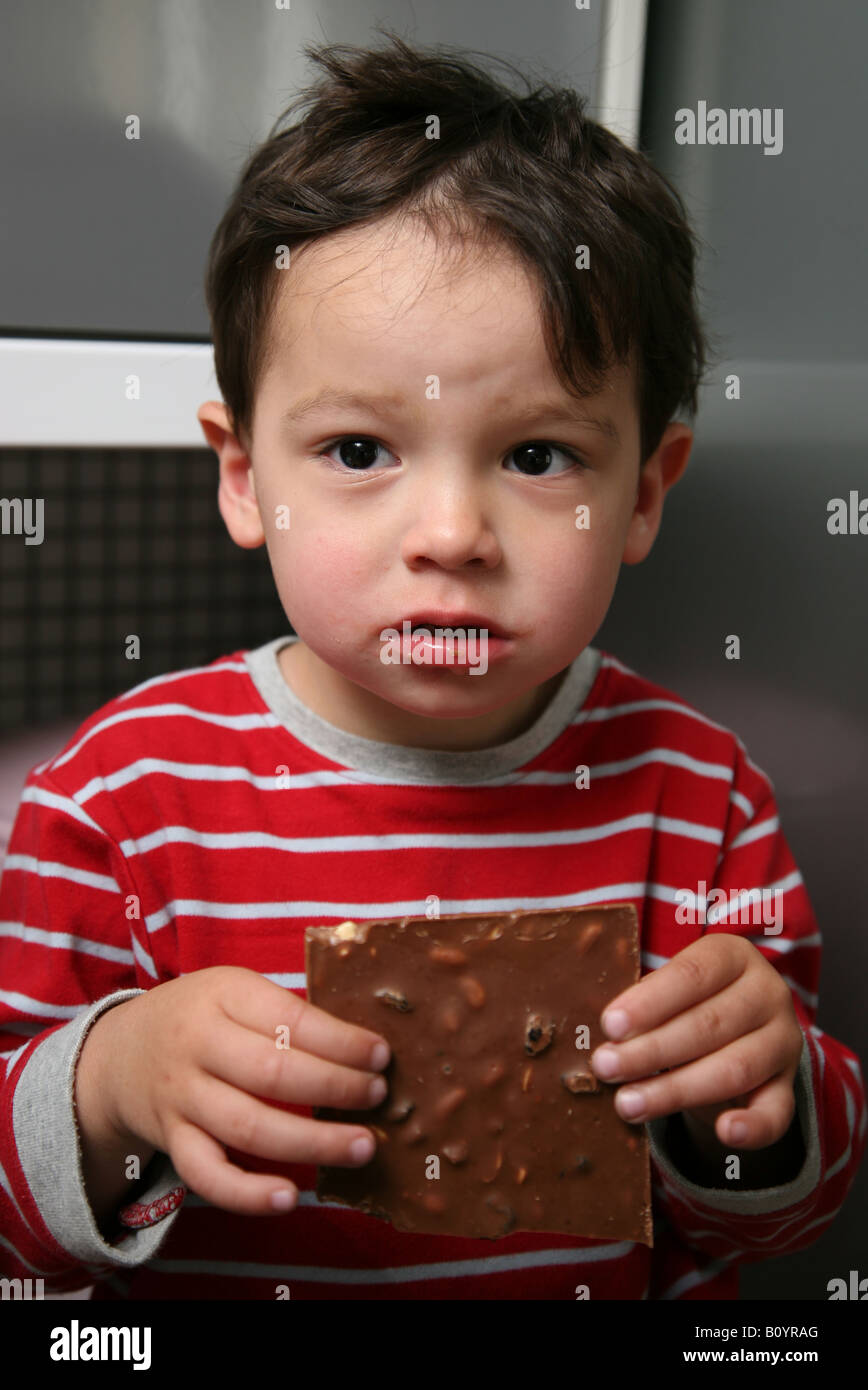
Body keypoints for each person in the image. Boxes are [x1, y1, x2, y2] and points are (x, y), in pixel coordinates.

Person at [0, 33, 863, 1300]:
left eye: (536, 457)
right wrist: (114, 1079)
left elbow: (769, 1225)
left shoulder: (701, 796)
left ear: (643, 492)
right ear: (244, 476)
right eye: (358, 450)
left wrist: (759, 1099)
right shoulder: (117, 801)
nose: (450, 536)